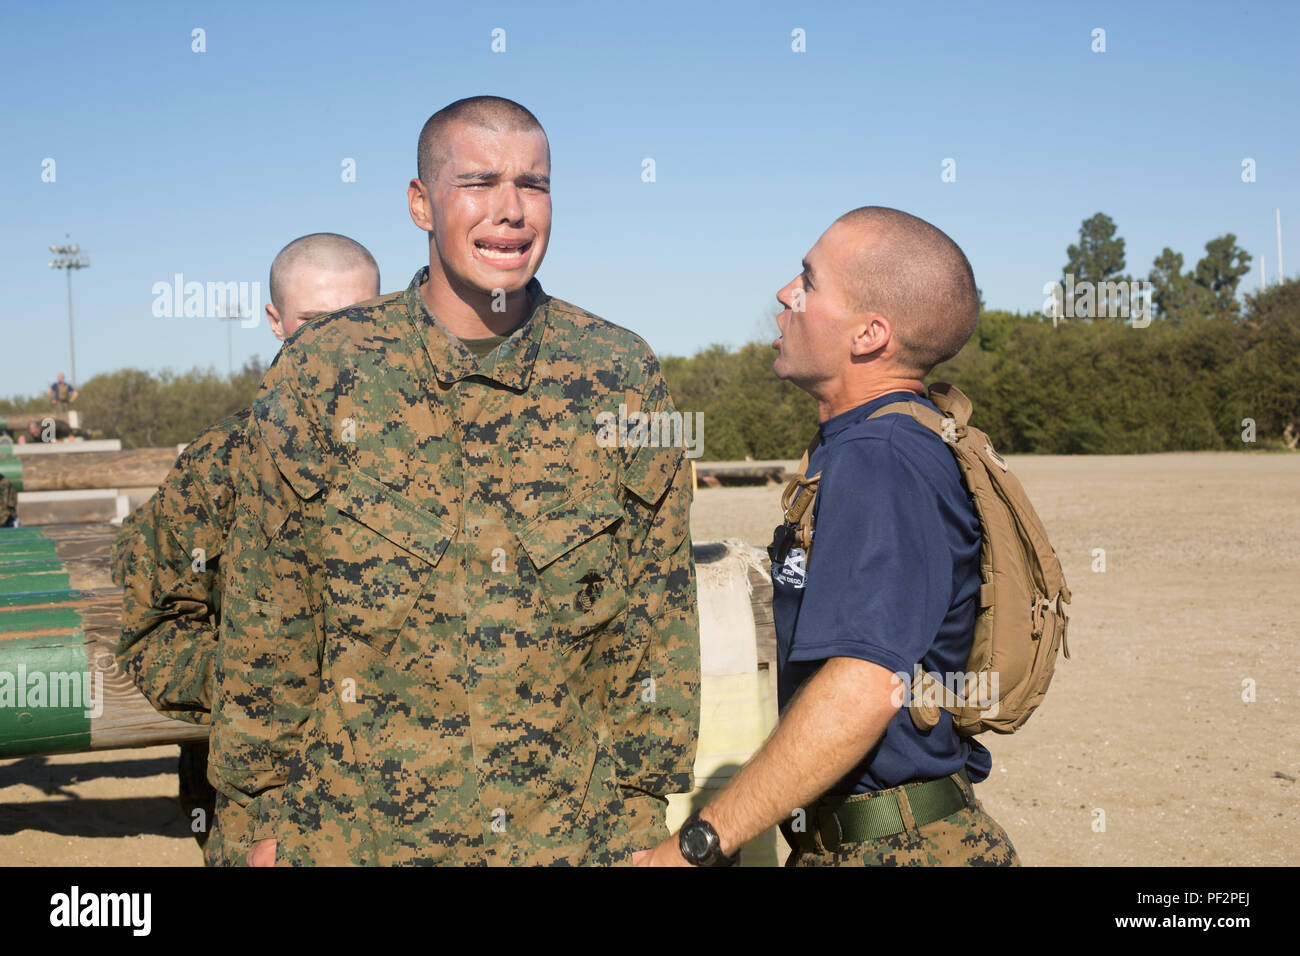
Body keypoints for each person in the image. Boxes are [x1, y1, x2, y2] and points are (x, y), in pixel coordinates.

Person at [210, 95, 699, 867]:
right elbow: (266, 616)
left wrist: (644, 813)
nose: (510, 211)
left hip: (568, 837)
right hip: (353, 835)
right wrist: (256, 822)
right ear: (420, 203)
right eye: (478, 182)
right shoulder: (325, 372)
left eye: (532, 185)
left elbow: (657, 615)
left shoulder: (618, 374)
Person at [638, 206, 1019, 867]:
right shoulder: (885, 441)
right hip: (875, 836)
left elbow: (862, 688)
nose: (786, 294)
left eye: (809, 281)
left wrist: (696, 844)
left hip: (892, 847)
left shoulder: (881, 456)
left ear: (870, 333)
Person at [112, 233, 381, 865]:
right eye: (315, 324)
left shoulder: (423, 454)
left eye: (358, 321)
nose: (336, 347)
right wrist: (258, 684)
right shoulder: (223, 461)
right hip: (270, 802)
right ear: (276, 322)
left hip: (411, 792)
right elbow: (154, 627)